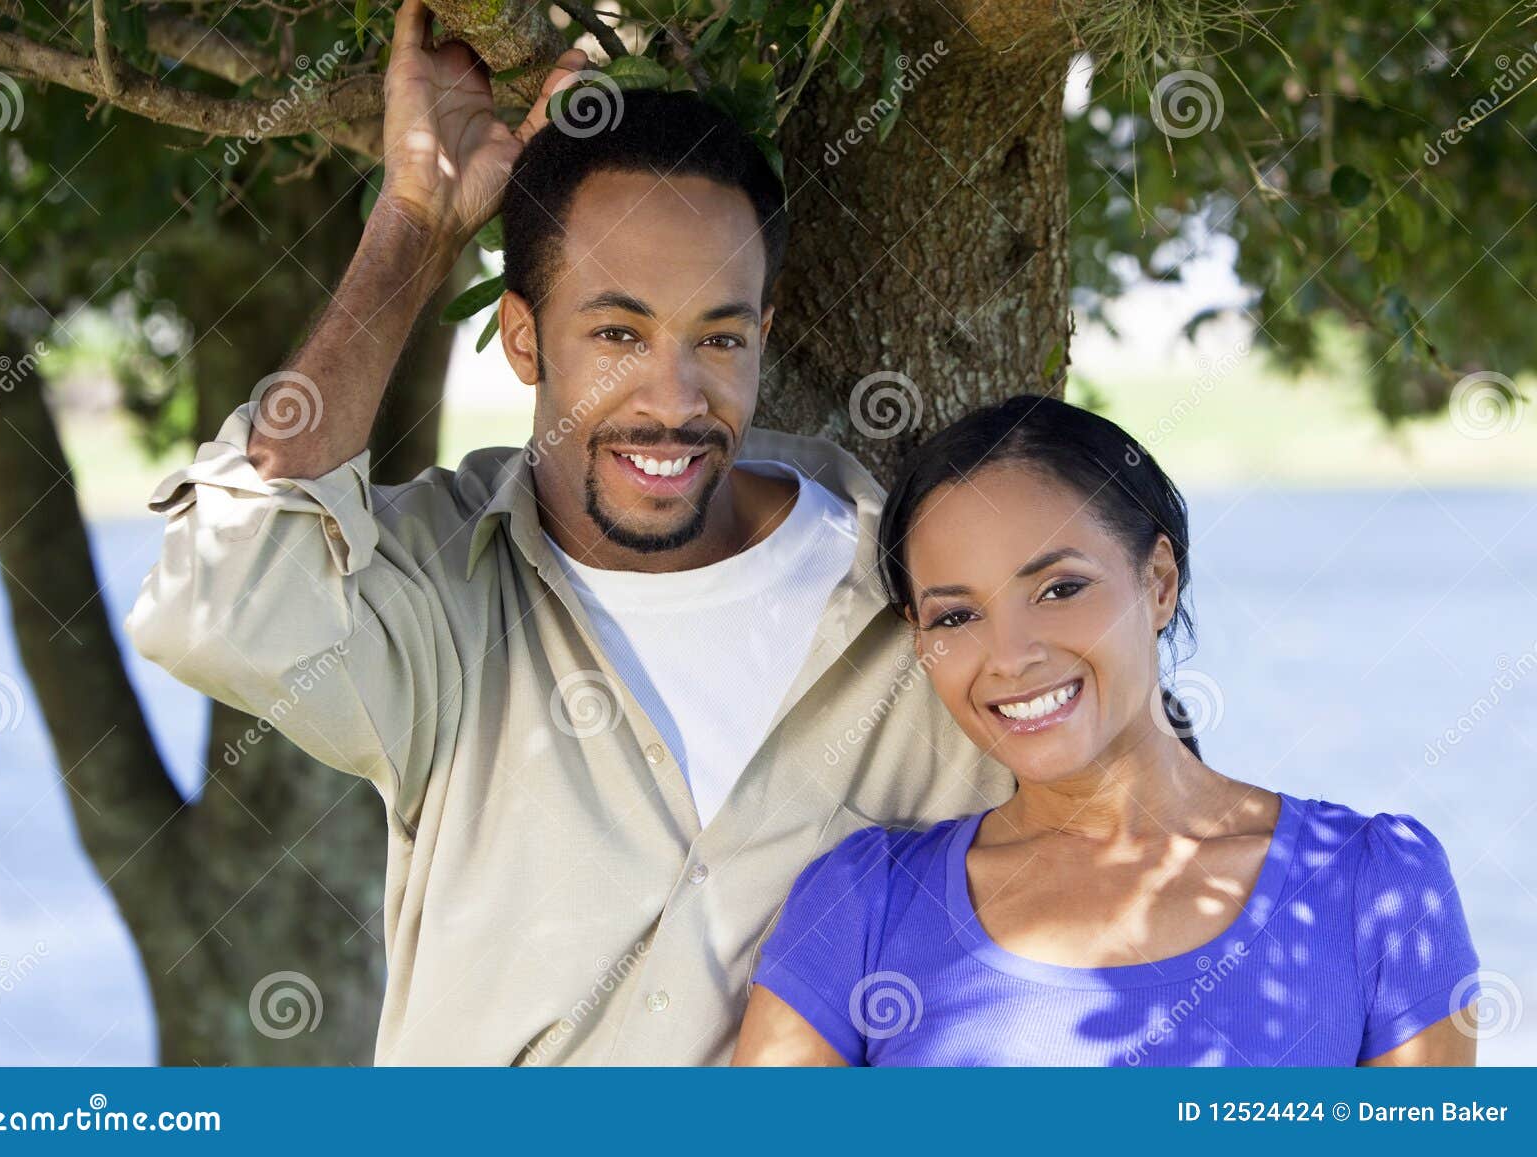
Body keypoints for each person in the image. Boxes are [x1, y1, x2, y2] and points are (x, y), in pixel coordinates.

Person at [123, 0, 1012, 1064]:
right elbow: (217, 608)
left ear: (762, 334)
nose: (673, 399)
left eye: (718, 337)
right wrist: (417, 221)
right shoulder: (441, 586)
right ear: (521, 337)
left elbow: (1121, 850)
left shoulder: (924, 599)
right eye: (617, 332)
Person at [733, 394, 1484, 1067]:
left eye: (1060, 588)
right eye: (956, 615)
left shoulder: (1374, 889)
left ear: (1158, 581)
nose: (1011, 656)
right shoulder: (863, 904)